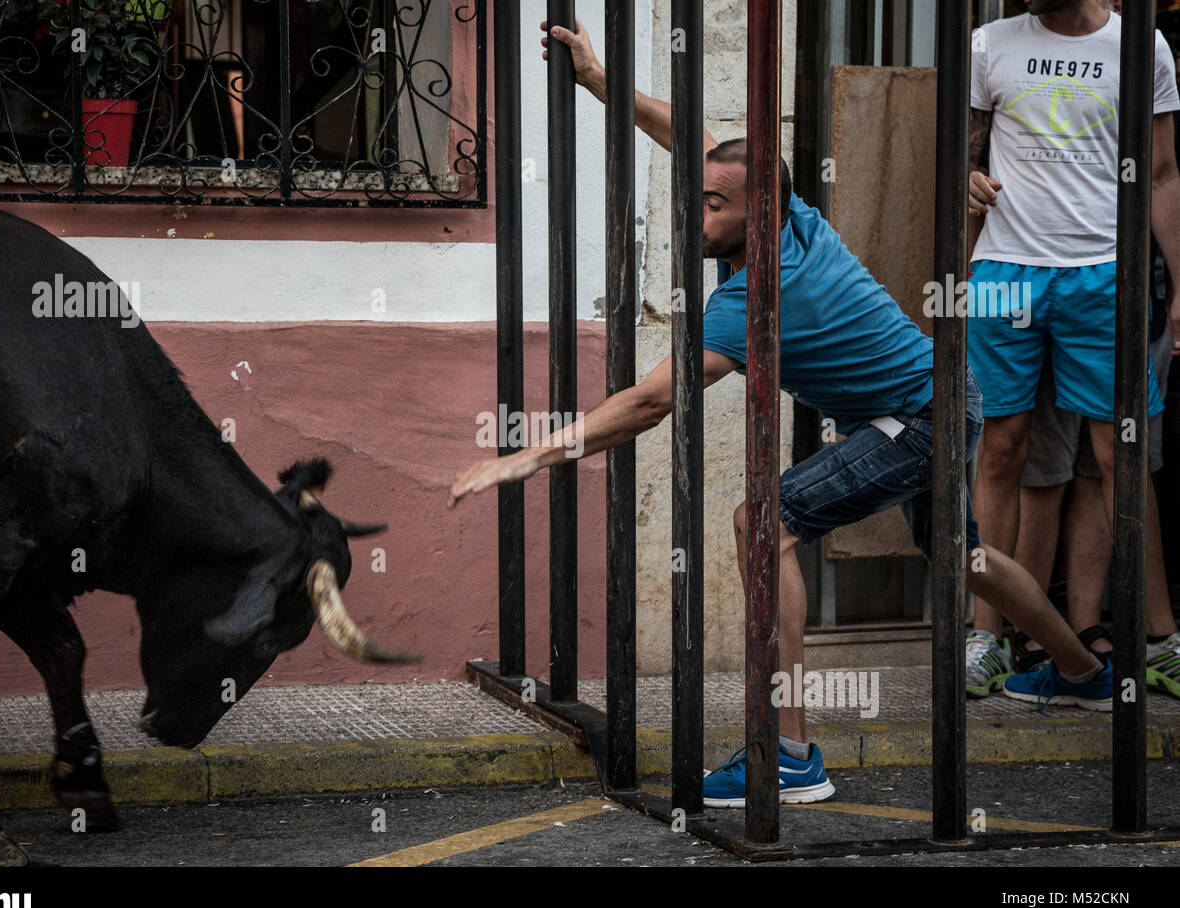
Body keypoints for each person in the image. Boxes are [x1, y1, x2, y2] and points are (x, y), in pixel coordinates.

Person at [449, 18, 1110, 809]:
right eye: (696, 200)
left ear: (755, 210)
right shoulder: (790, 212)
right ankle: (1086, 674)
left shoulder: (752, 295)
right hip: (934, 398)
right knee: (962, 558)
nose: (698, 217)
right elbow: (695, 139)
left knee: (763, 523)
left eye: (713, 208)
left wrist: (526, 455)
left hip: (922, 414)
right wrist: (596, 80)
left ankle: (790, 752)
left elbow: (652, 401)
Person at [964, 0, 1180, 702]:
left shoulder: (1142, 47)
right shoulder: (989, 44)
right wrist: (964, 187)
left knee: (1122, 453)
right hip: (1004, 273)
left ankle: (1160, 639)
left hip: (1105, 272)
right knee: (1000, 447)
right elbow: (961, 157)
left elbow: (1163, 174)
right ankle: (985, 637)